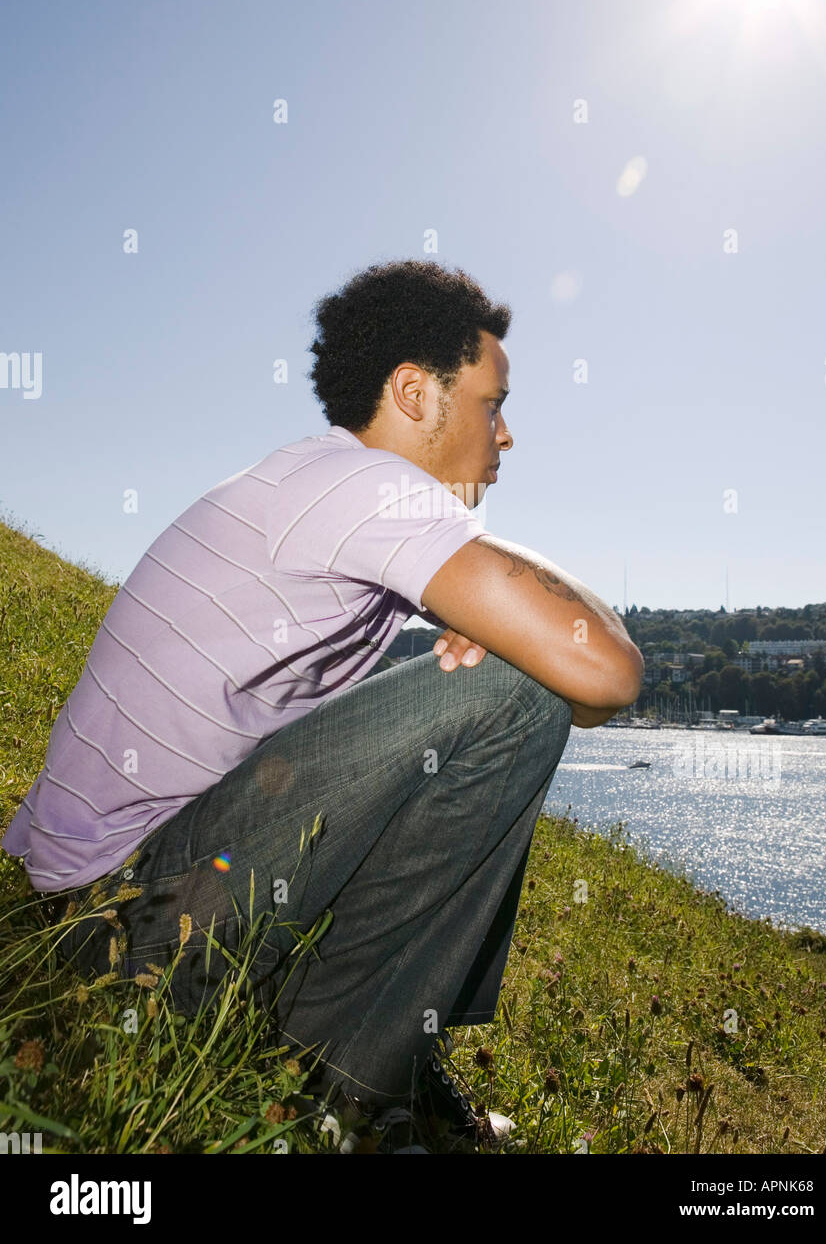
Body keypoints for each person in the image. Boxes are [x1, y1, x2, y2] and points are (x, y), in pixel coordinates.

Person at [1, 259, 643, 1139]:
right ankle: (355, 1096)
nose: (507, 436)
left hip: (105, 907)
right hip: (123, 934)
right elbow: (607, 674)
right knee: (519, 693)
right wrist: (517, 641)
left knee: (495, 687)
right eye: (493, 404)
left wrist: (493, 629)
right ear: (415, 394)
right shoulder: (372, 490)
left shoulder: (316, 487)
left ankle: (362, 1050)